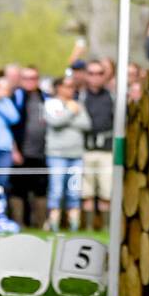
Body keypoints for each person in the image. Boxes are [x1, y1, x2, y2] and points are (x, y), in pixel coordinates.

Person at [44, 77, 92, 231]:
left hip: (76, 155)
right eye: (67, 86)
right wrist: (71, 112)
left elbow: (86, 124)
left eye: (72, 87)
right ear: (58, 87)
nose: (70, 90)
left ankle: (74, 225)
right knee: (56, 190)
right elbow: (55, 122)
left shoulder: (79, 104)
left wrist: (65, 117)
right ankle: (54, 224)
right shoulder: (51, 104)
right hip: (56, 154)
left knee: (74, 190)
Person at [77, 60, 114, 230]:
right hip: (85, 150)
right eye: (91, 73)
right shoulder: (80, 96)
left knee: (107, 192)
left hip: (107, 151)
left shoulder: (112, 96)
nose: (95, 77)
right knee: (87, 193)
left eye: (100, 73)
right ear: (86, 75)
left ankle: (106, 227)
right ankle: (89, 227)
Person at [10, 65, 49, 227]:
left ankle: (39, 224)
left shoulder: (45, 97)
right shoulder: (15, 97)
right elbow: (9, 126)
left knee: (40, 190)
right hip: (21, 152)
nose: (30, 81)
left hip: (42, 153)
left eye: (33, 78)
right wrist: (14, 150)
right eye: (26, 78)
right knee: (19, 190)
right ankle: (19, 223)